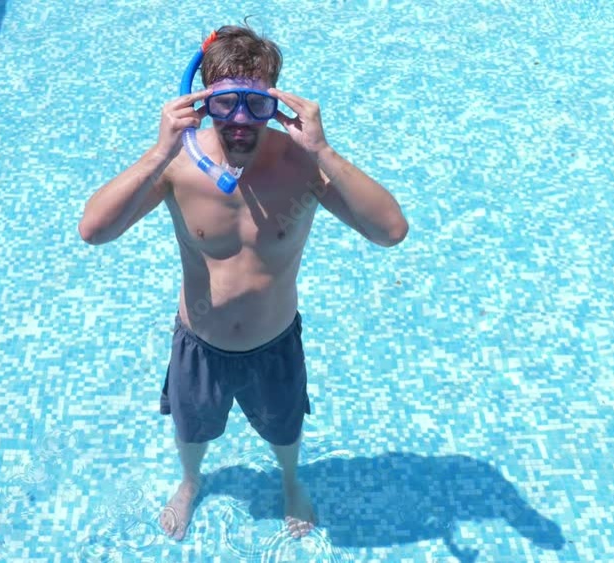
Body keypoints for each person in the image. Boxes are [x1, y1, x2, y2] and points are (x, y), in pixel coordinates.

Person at [77, 23, 408, 542]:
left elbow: (391, 232)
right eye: (225, 103)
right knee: (191, 430)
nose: (239, 121)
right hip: (199, 345)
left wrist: (325, 152)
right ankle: (190, 483)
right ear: (203, 101)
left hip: (274, 344)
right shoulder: (178, 166)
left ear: (276, 102)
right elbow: (93, 231)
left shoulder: (302, 165)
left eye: (255, 104)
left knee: (285, 429)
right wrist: (157, 151)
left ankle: (291, 481)